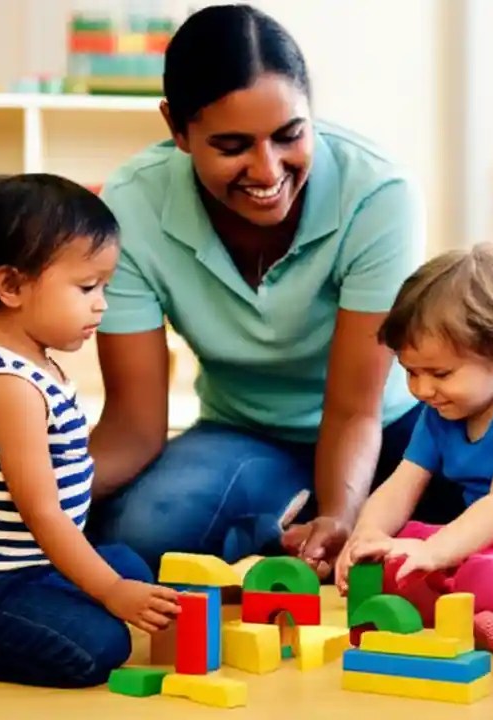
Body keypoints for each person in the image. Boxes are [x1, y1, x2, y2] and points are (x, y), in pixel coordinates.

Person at [84, 3, 461, 578]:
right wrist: (32, 494)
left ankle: (305, 518)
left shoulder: (378, 192)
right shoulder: (131, 206)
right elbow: (133, 428)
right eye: (232, 147)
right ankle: (291, 519)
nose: (267, 171)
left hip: (388, 428)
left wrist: (340, 513)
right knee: (137, 534)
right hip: (245, 431)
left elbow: (354, 408)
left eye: (290, 135)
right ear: (176, 129)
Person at [0, 174, 180, 688]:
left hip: (30, 561)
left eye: (104, 286)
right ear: (11, 286)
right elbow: (42, 512)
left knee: (134, 565)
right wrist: (108, 591)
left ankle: (44, 609)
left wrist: (115, 583)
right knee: (99, 649)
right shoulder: (10, 388)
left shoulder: (37, 363)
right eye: (86, 288)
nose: (102, 303)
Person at [334, 243, 493, 653]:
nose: (422, 389)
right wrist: (367, 536)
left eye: (440, 372)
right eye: (411, 373)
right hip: (487, 545)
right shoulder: (443, 409)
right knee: (397, 553)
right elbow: (402, 483)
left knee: (484, 577)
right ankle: (468, 615)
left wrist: (435, 551)